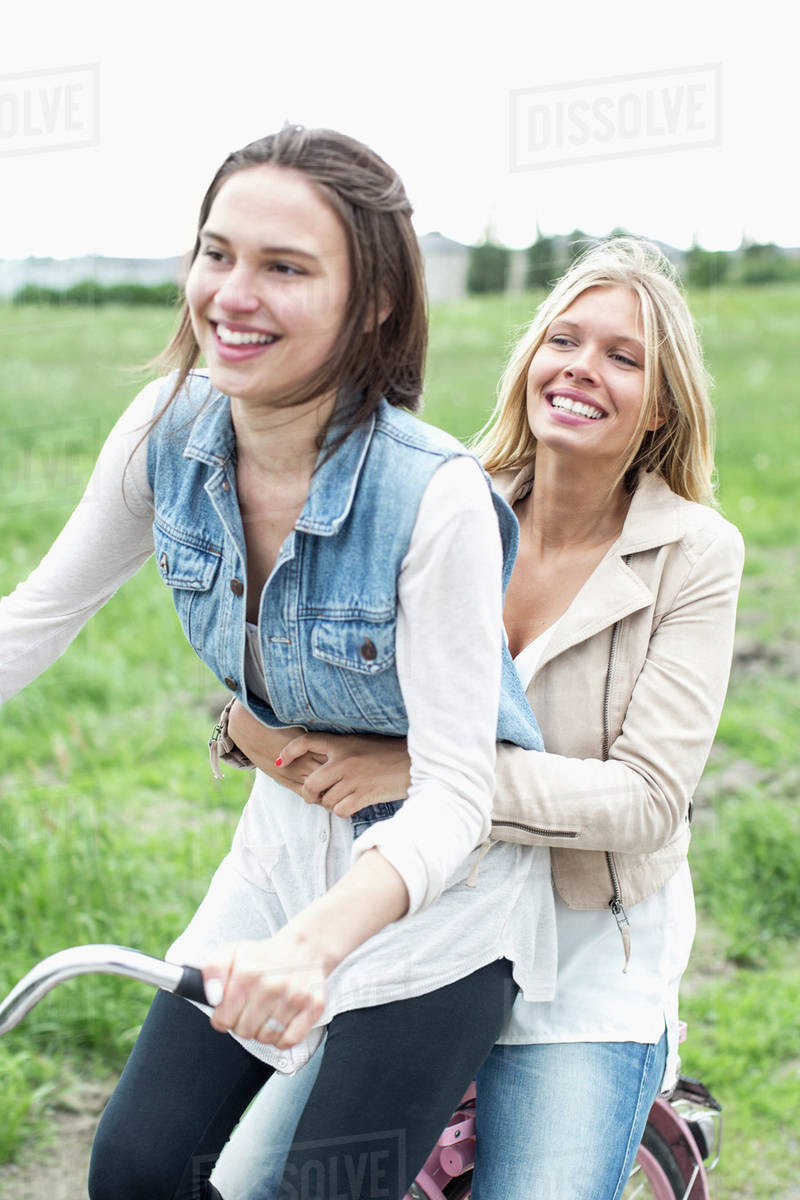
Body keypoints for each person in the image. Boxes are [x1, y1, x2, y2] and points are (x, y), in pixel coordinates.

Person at [0, 127, 560, 1200]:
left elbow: (456, 797)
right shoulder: (168, 428)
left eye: (285, 267)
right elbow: (34, 618)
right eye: (217, 254)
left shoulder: (431, 497)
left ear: (374, 301)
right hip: (278, 863)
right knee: (137, 1170)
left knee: (323, 1190)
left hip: (434, 906)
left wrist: (313, 947)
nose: (232, 294)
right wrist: (287, 931)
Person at [208, 237, 745, 1200]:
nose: (581, 367)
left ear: (661, 406)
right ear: (530, 359)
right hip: (431, 924)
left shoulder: (694, 553)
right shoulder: (446, 499)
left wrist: (430, 774)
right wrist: (255, 726)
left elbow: (647, 800)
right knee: (249, 1184)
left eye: (623, 357)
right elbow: (314, 676)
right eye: (563, 341)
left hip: (584, 952)